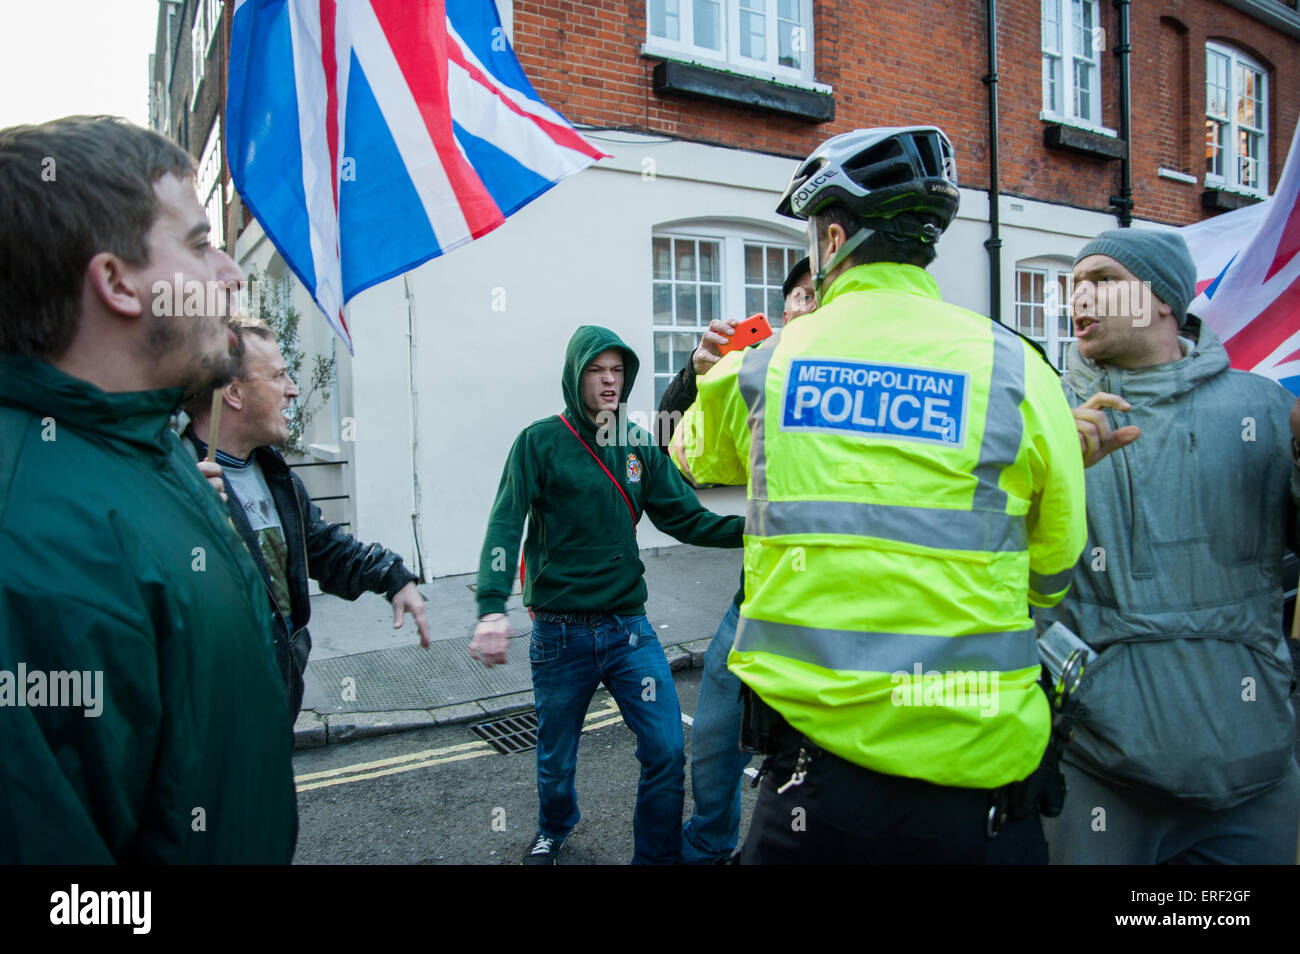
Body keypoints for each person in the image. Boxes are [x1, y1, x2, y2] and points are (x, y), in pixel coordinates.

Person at [673, 126, 1087, 863]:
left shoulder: (765, 366)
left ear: (832, 240)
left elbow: (691, 458)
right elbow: (1056, 561)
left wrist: (705, 370)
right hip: (981, 790)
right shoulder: (1017, 368)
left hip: (817, 794)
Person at [0, 115, 296, 862]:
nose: (231, 275)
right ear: (116, 282)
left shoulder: (150, 448)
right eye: (199, 244)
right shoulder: (29, 548)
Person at [1036, 228, 1300, 864]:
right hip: (1095, 765)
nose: (1081, 299)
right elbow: (988, 563)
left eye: (1103, 282)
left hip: (1254, 771)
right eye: (1074, 286)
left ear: (1162, 301)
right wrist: (1048, 476)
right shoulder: (1041, 412)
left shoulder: (1266, 410)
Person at [469, 325, 744, 864]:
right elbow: (505, 524)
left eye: (617, 370)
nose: (610, 380)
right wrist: (490, 607)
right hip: (559, 633)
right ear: (577, 375)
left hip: (628, 630)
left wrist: (755, 529)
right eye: (598, 370)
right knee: (556, 751)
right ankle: (555, 825)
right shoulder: (538, 441)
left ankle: (658, 855)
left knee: (666, 748)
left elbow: (686, 519)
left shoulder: (639, 445)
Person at [181, 317, 430, 722]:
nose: (293, 390)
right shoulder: (167, 480)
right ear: (233, 392)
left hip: (274, 705)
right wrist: (178, 519)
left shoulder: (274, 474)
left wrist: (391, 575)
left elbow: (320, 546)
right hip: (208, 721)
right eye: (279, 376)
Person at [656, 257, 817, 863]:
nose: (809, 305)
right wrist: (698, 378)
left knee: (806, 763)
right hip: (755, 599)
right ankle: (711, 840)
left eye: (819, 294)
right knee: (718, 740)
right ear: (781, 315)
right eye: (799, 297)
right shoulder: (757, 381)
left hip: (830, 614)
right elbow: (681, 462)